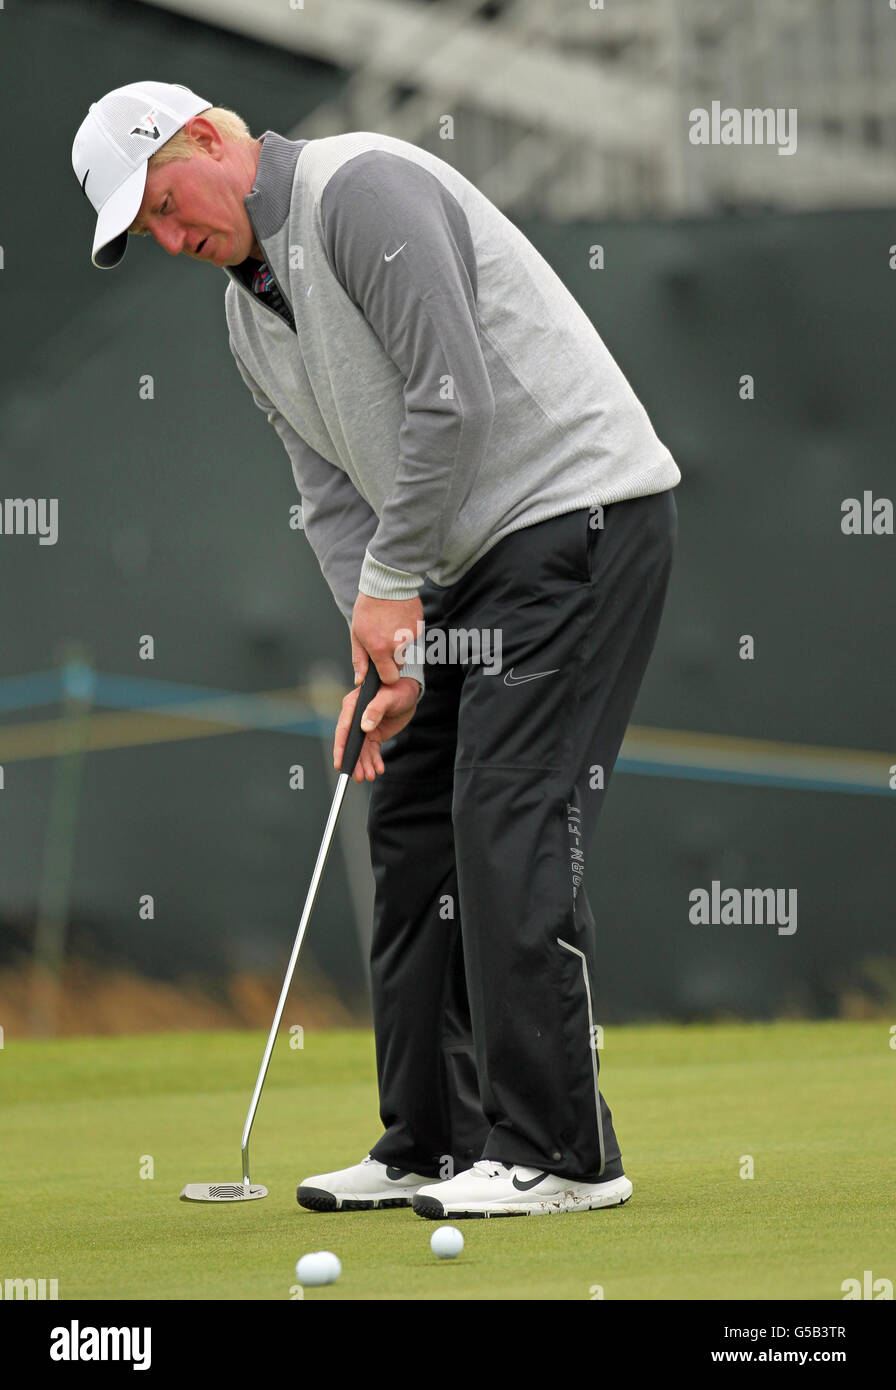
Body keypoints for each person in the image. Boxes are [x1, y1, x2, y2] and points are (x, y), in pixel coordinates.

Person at [72, 81, 680, 1219]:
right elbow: (329, 493)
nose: (169, 237)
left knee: (506, 816)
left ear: (207, 138)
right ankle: (434, 1139)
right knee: (406, 820)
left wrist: (394, 589)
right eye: (146, 231)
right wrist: (383, 643)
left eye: (163, 204)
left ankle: (562, 1156)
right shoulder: (245, 309)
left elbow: (454, 404)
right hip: (457, 564)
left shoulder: (365, 189)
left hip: (576, 518)